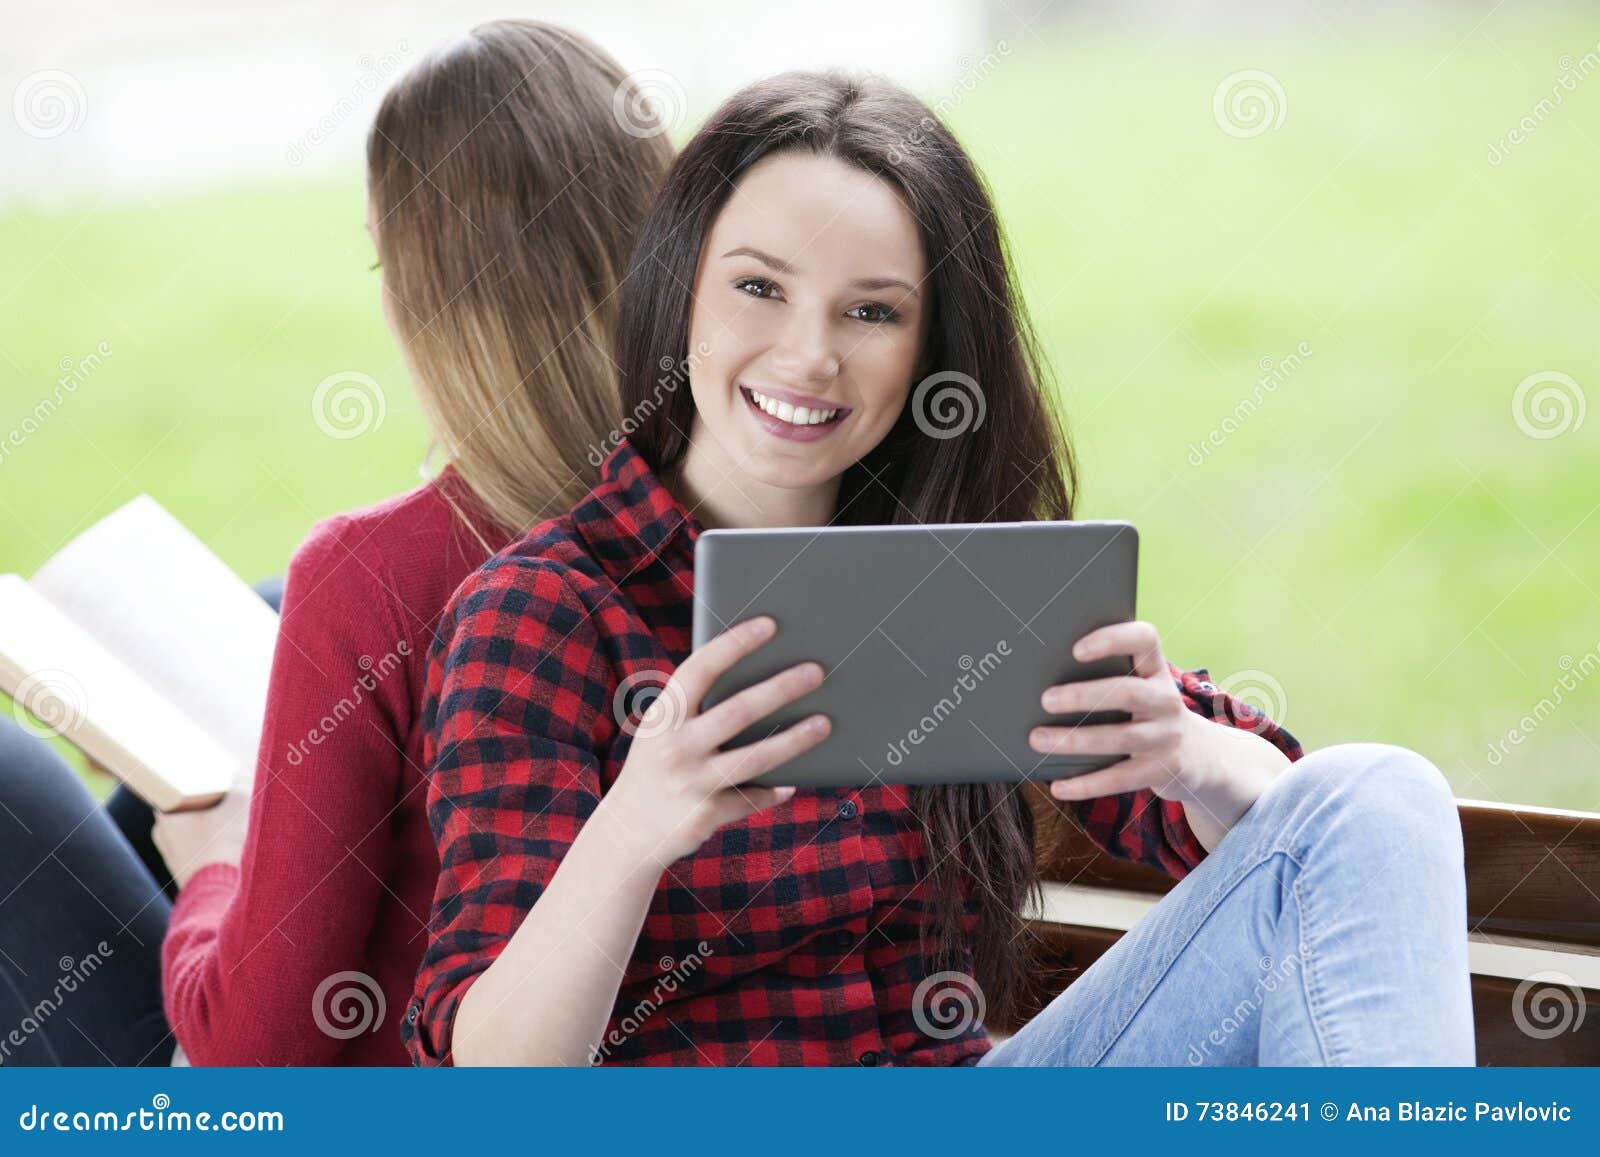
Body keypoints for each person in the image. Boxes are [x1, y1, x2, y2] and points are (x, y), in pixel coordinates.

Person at [406, 71, 1474, 1067]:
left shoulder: (954, 583)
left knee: (1376, 794)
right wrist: (638, 820)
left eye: (871, 310)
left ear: (931, 348)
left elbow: (1299, 847)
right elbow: (496, 1070)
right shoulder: (546, 611)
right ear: (680, 290)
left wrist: (1185, 748)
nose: (809, 353)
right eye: (758, 288)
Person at [0, 19, 671, 1066]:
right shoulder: (731, 503)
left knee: (11, 776)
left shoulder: (381, 572)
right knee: (262, 619)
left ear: (429, 299)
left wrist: (212, 867)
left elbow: (252, 1050)